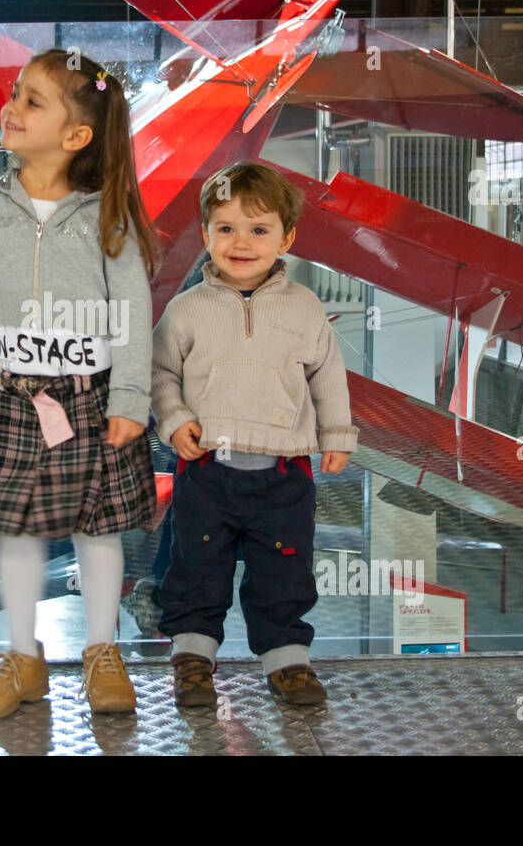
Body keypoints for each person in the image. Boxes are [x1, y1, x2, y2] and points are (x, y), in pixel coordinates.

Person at [0, 49, 159, 719]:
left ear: (76, 136)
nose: (11, 106)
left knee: (98, 530)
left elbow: (132, 318)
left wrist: (129, 399)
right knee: (18, 531)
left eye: (32, 100)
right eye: (15, 93)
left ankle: (101, 651)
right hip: (7, 398)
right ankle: (23, 658)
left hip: (89, 399)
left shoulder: (107, 215)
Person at [151, 162, 357, 707]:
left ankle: (288, 662)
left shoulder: (305, 308)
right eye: (226, 228)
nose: (241, 243)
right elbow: (159, 373)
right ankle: (193, 661)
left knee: (284, 574)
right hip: (205, 473)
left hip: (283, 477)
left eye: (259, 230)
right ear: (206, 234)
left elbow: (328, 376)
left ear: (286, 238)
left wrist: (337, 434)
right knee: (196, 570)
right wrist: (174, 421)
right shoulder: (186, 310)